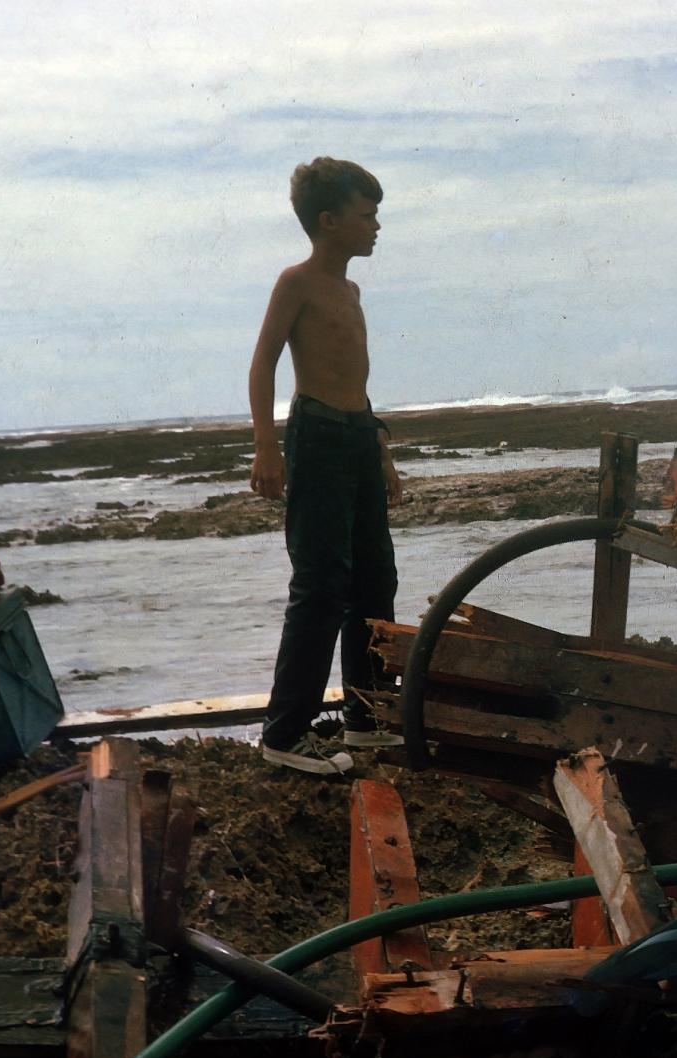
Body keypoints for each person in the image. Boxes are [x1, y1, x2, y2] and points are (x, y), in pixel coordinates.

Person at [247, 157, 405, 774]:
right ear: (329, 220)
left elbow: (357, 381)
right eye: (368, 216)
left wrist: (382, 453)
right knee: (320, 587)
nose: (376, 227)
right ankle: (284, 736)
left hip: (358, 437)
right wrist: (265, 445)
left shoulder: (351, 290)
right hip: (314, 438)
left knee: (376, 580)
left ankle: (367, 719)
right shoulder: (298, 282)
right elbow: (263, 364)